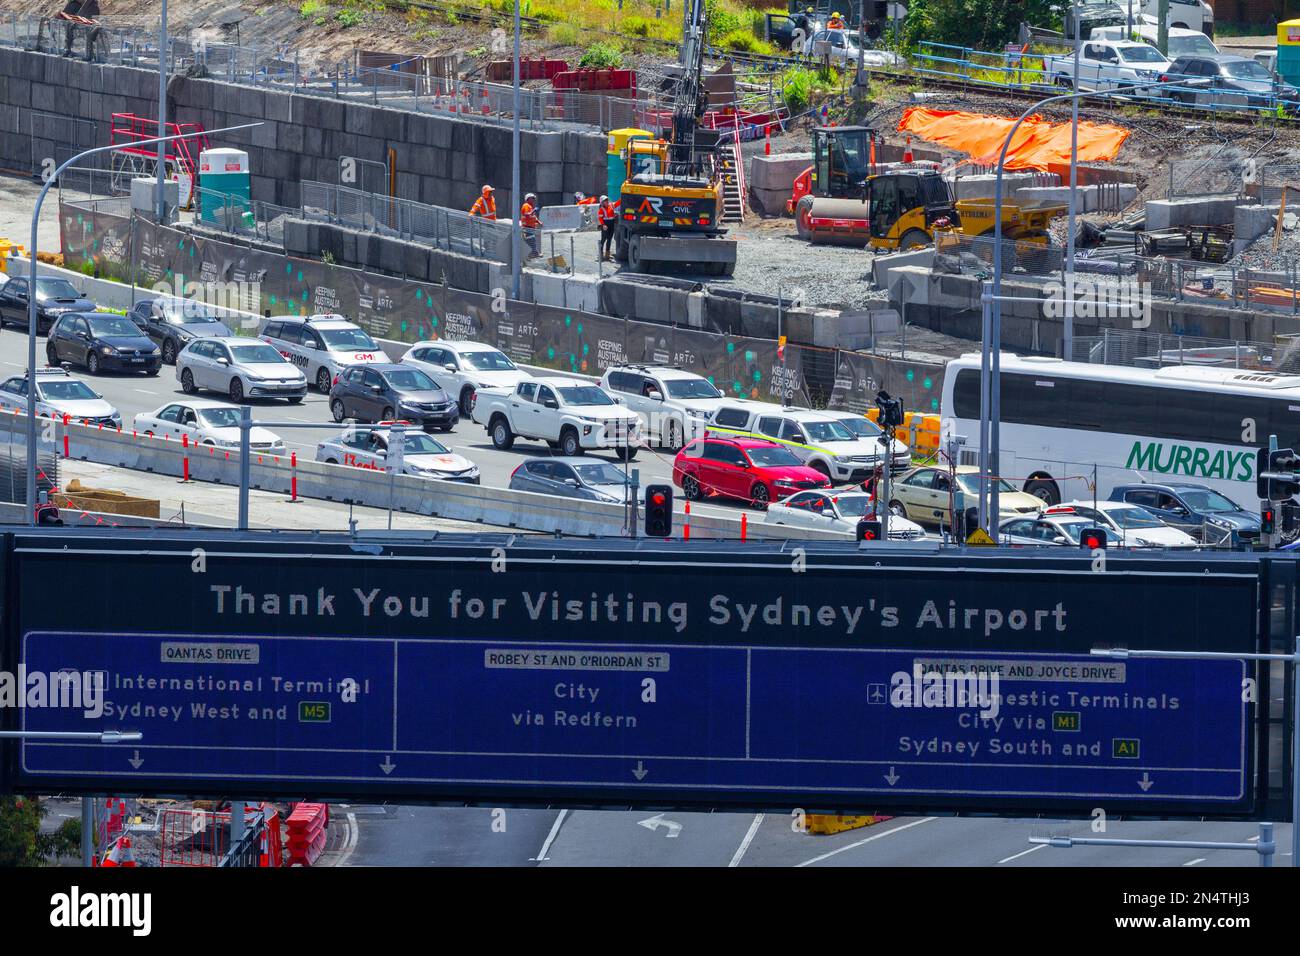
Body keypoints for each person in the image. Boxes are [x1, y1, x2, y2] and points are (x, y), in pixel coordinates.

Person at [597, 195, 620, 261]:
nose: (607, 201)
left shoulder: (611, 205)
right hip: (605, 225)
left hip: (611, 224)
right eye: (605, 201)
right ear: (602, 202)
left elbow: (618, 203)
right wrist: (603, 225)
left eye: (607, 200)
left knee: (609, 239)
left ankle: (607, 255)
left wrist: (623, 196)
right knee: (603, 239)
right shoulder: (601, 209)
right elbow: (600, 218)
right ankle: (601, 254)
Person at [520, 192, 542, 258]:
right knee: (531, 240)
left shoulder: (530, 207)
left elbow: (533, 217)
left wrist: (538, 222)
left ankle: (531, 254)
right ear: (528, 199)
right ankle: (534, 253)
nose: (534, 200)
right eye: (532, 198)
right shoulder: (526, 205)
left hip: (531, 227)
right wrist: (533, 211)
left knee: (531, 240)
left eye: (534, 198)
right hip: (527, 227)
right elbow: (527, 215)